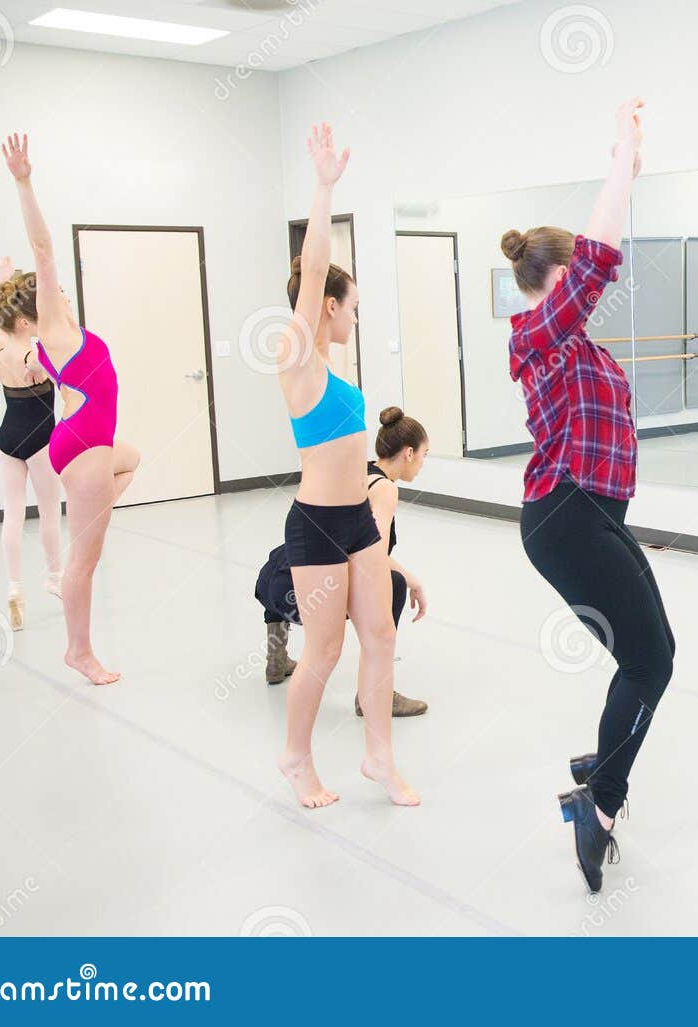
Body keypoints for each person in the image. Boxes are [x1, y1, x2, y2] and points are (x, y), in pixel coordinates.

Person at [506, 98, 671, 894]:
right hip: (568, 514)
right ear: (556, 279)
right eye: (580, 274)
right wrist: (622, 159)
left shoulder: (574, 342)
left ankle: (597, 774)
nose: (592, 284)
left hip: (589, 518)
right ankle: (598, 803)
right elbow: (601, 254)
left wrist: (627, 166)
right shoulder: (537, 332)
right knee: (653, 658)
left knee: (641, 659)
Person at [273, 123, 417, 809]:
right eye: (350, 307)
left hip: (357, 515)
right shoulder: (298, 355)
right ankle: (296, 758)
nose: (353, 317)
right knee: (324, 652)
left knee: (381, 634)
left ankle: (379, 756)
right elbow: (312, 272)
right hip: (316, 525)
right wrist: (324, 189)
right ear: (326, 306)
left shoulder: (331, 365)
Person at [0, 134, 140, 684]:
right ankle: (78, 651)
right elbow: (43, 249)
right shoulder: (53, 329)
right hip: (81, 444)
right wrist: (24, 182)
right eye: (48, 293)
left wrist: (3, 278)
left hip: (85, 442)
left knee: (133, 459)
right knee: (85, 563)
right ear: (38, 309)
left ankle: (93, 513)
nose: (60, 292)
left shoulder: (53, 337)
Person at [256, 407, 431, 719]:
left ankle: (276, 657)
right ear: (408, 453)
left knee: (288, 555)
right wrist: (411, 578)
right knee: (392, 585)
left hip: (276, 583)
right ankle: (375, 694)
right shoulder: (386, 489)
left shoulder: (356, 472)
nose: (422, 463)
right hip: (310, 596)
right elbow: (369, 553)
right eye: (424, 455)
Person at [0, 255, 63, 629]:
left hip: (7, 438)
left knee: (12, 515)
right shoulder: (32, 355)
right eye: (33, 319)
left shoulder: (1, 344)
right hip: (40, 440)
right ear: (23, 322)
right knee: (49, 510)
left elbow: (3, 308)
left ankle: (14, 587)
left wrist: (5, 276)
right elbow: (60, 364)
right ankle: (54, 577)